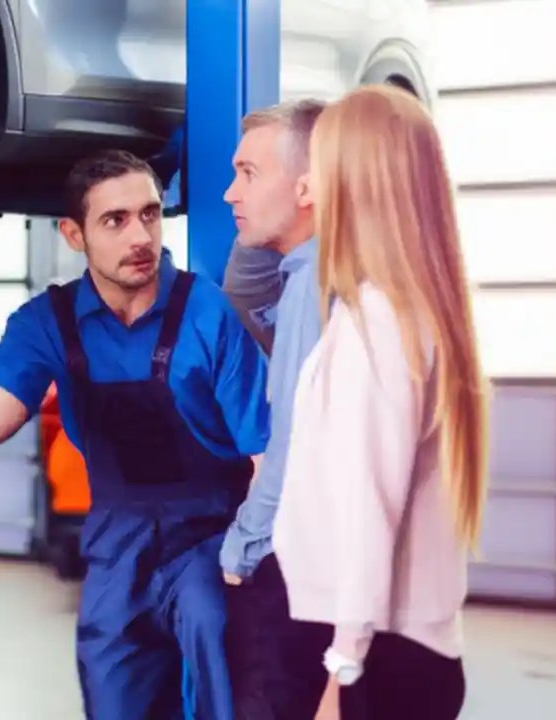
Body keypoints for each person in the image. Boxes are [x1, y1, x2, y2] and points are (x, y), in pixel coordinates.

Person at [0, 149, 270, 719]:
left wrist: (247, 559)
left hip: (211, 543)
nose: (140, 236)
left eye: (150, 214)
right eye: (114, 220)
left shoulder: (206, 311)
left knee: (222, 679)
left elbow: (264, 455)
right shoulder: (47, 323)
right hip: (118, 552)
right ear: (73, 234)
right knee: (114, 699)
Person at [273, 83, 487, 719]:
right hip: (404, 651)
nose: (307, 187)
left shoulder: (382, 322)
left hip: (380, 655)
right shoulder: (410, 311)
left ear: (360, 183)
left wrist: (345, 666)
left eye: (322, 168)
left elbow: (369, 510)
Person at [216, 98, 331, 719]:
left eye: (249, 173)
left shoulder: (315, 288)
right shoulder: (311, 274)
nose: (231, 193)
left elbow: (294, 442)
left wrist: (243, 548)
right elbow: (245, 292)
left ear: (309, 184)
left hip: (290, 564)